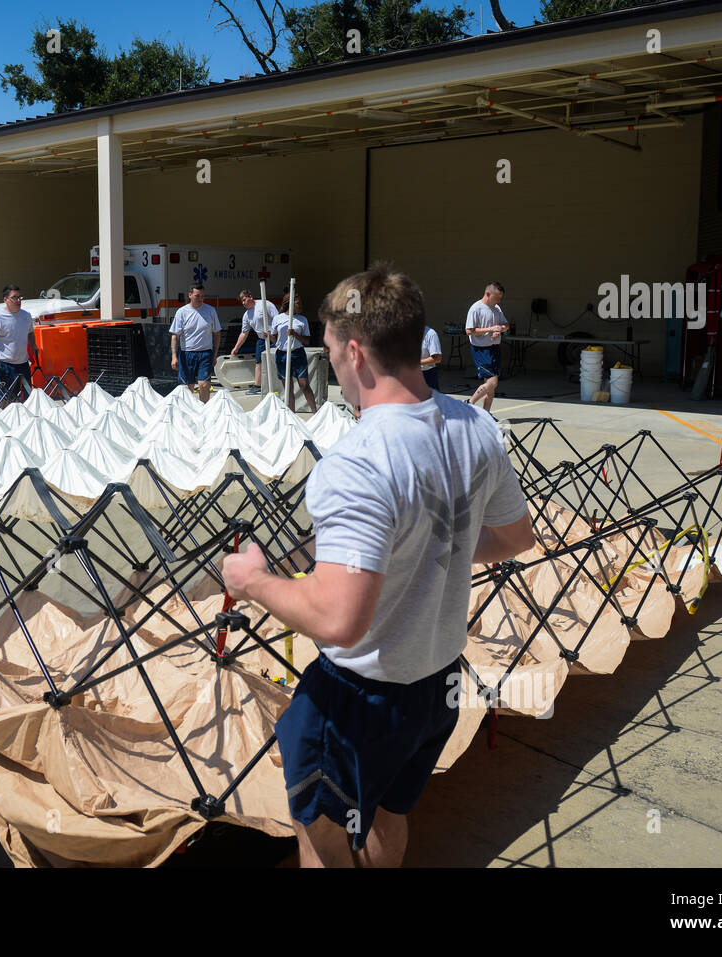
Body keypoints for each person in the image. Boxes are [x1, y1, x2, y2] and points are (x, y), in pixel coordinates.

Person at [222, 263, 534, 868]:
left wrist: (253, 580)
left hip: (359, 694)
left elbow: (340, 621)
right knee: (389, 812)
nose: (331, 361)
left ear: (356, 352)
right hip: (439, 680)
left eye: (332, 348)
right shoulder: (478, 427)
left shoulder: (357, 462)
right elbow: (515, 536)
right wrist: (429, 552)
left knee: (321, 831)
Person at [0, 284, 36, 401]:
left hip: (23, 364)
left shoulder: (26, 316)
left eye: (20, 297)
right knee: (3, 401)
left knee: (26, 400)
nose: (18, 300)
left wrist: (33, 345)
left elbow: (30, 332)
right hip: (4, 366)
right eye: (14, 297)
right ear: (6, 300)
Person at [170, 283, 221, 403]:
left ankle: (204, 410)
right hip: (187, 353)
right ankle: (187, 411)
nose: (200, 299)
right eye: (197, 296)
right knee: (188, 387)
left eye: (202, 296)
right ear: (190, 295)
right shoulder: (182, 312)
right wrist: (174, 356)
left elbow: (217, 333)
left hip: (205, 354)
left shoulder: (210, 310)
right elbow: (174, 335)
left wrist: (215, 355)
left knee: (203, 384)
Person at [268, 293, 319, 413]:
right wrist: (268, 336)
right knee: (288, 388)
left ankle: (315, 412)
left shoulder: (302, 319)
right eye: (298, 303)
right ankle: (292, 414)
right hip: (282, 354)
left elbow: (306, 341)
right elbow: (275, 339)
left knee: (304, 384)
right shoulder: (278, 318)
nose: (300, 305)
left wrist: (295, 334)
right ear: (290, 304)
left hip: (297, 354)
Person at [466, 282, 509, 411]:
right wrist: (490, 329)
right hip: (481, 349)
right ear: (488, 294)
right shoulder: (476, 308)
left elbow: (506, 324)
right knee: (493, 382)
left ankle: (486, 414)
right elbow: (469, 330)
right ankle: (469, 403)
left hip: (494, 348)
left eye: (500, 298)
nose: (499, 301)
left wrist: (500, 329)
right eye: (497, 297)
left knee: (491, 387)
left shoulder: (497, 309)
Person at [229, 289, 279, 395]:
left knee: (276, 361)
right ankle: (257, 386)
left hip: (274, 338)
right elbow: (244, 333)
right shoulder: (247, 315)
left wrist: (274, 335)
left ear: (250, 297)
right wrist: (236, 348)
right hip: (261, 339)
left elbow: (277, 319)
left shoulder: (265, 304)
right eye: (241, 301)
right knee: (259, 362)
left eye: (244, 300)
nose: (243, 303)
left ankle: (279, 385)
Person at [420, 322, 443, 391]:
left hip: (427, 374)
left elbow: (437, 358)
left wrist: (415, 363)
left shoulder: (431, 334)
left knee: (433, 400)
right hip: (408, 374)